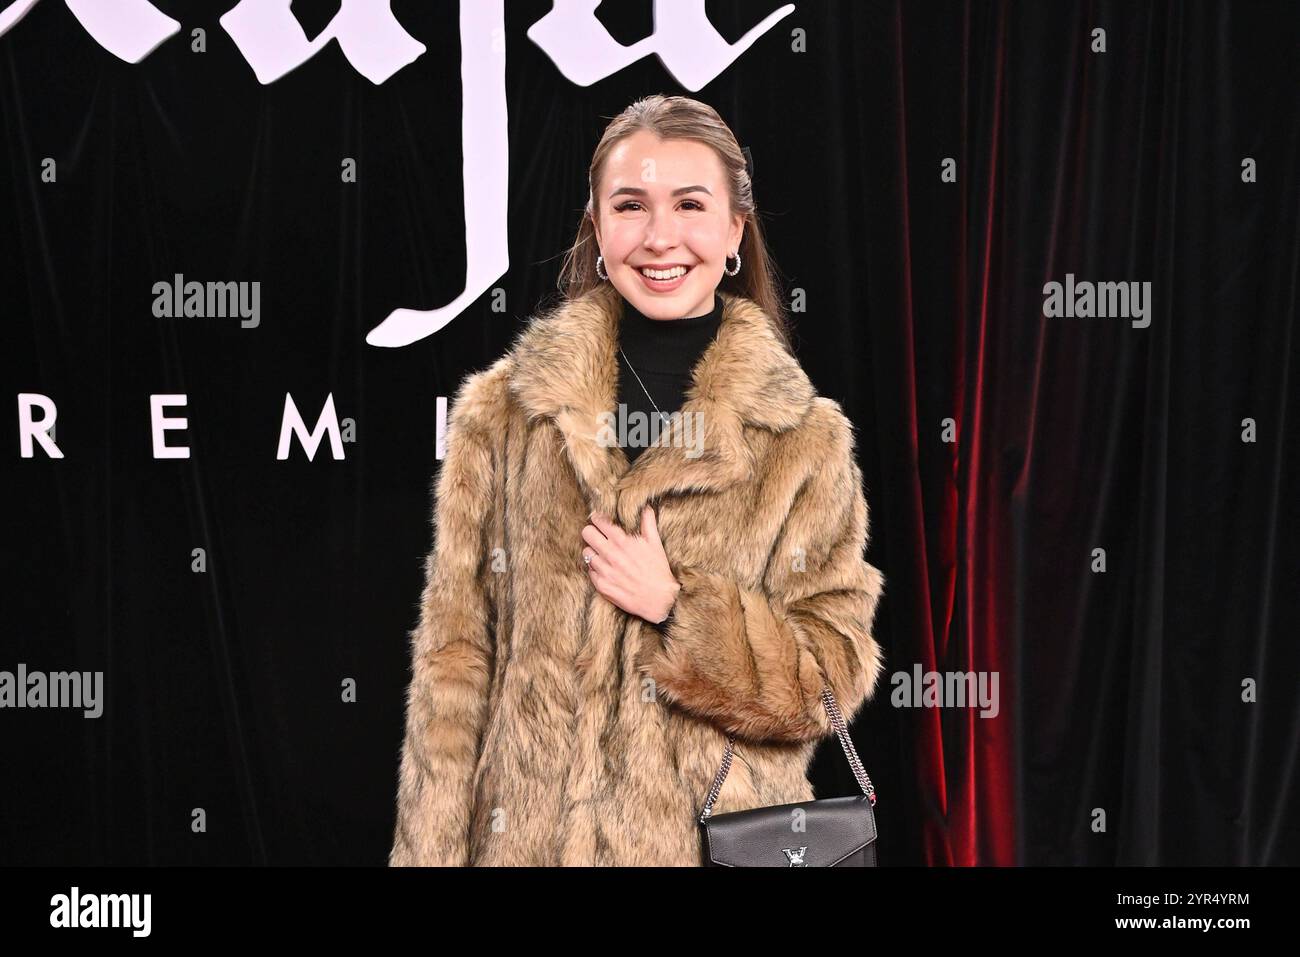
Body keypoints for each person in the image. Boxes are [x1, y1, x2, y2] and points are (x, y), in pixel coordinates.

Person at [389, 94, 886, 866]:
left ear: (733, 231)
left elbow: (831, 675)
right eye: (631, 204)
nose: (659, 236)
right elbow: (454, 665)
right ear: (597, 226)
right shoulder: (504, 411)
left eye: (690, 204)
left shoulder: (803, 439)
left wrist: (681, 609)